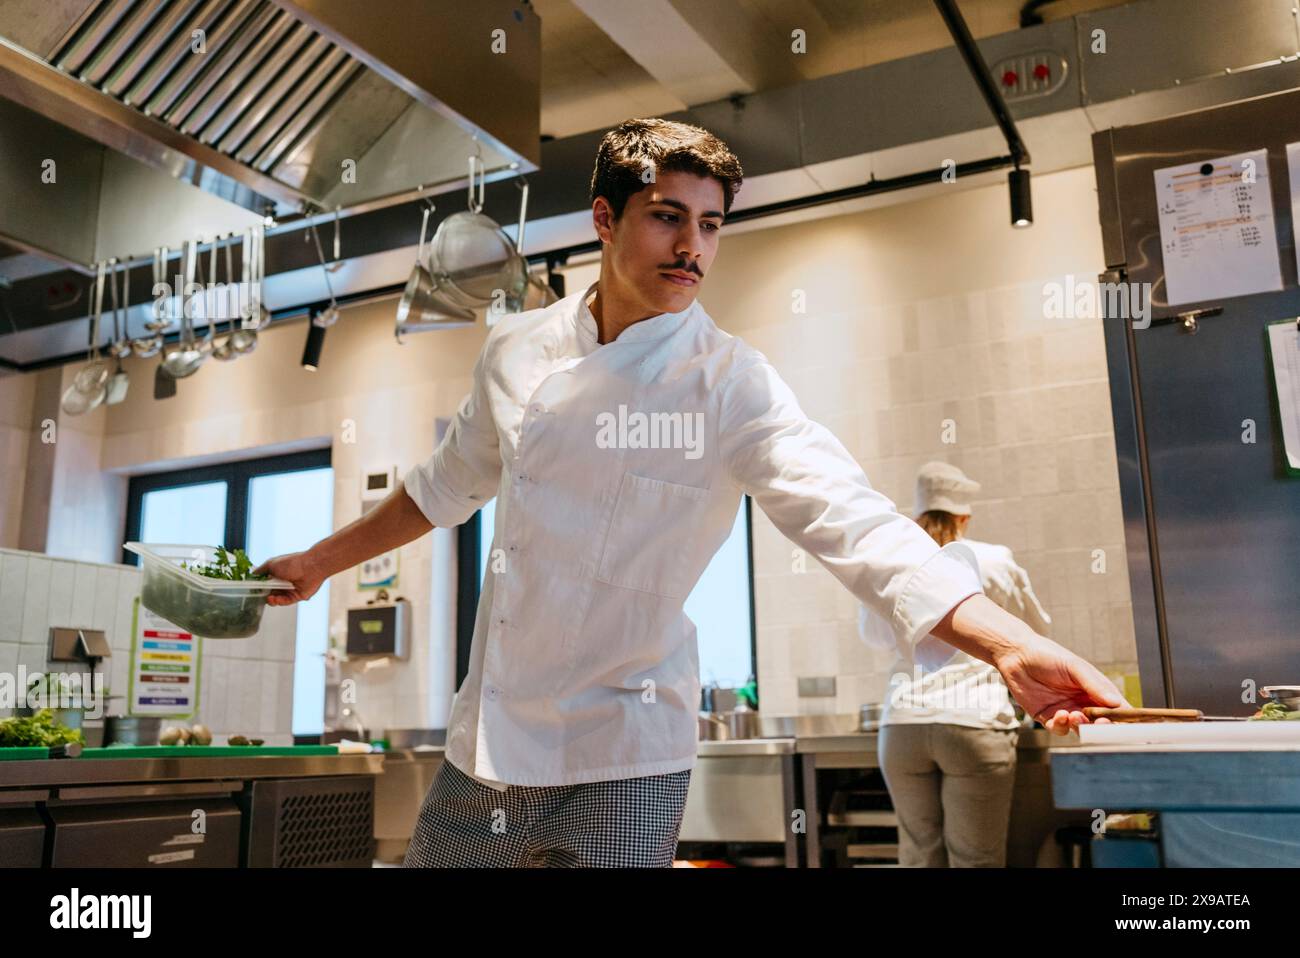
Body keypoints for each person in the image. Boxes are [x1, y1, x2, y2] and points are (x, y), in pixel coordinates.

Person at [255, 118, 1125, 868]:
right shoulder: (515, 352)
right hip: (491, 738)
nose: (692, 248)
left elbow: (851, 521)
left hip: (629, 747)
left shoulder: (729, 384)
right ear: (604, 218)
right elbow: (443, 487)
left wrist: (1008, 644)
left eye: (711, 225)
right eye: (668, 217)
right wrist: (321, 562)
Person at [860, 461, 1053, 867]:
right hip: (973, 723)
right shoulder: (995, 561)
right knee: (975, 859)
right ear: (965, 517)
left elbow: (875, 639)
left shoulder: (895, 566)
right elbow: (1034, 637)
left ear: (917, 516)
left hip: (902, 729)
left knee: (919, 857)